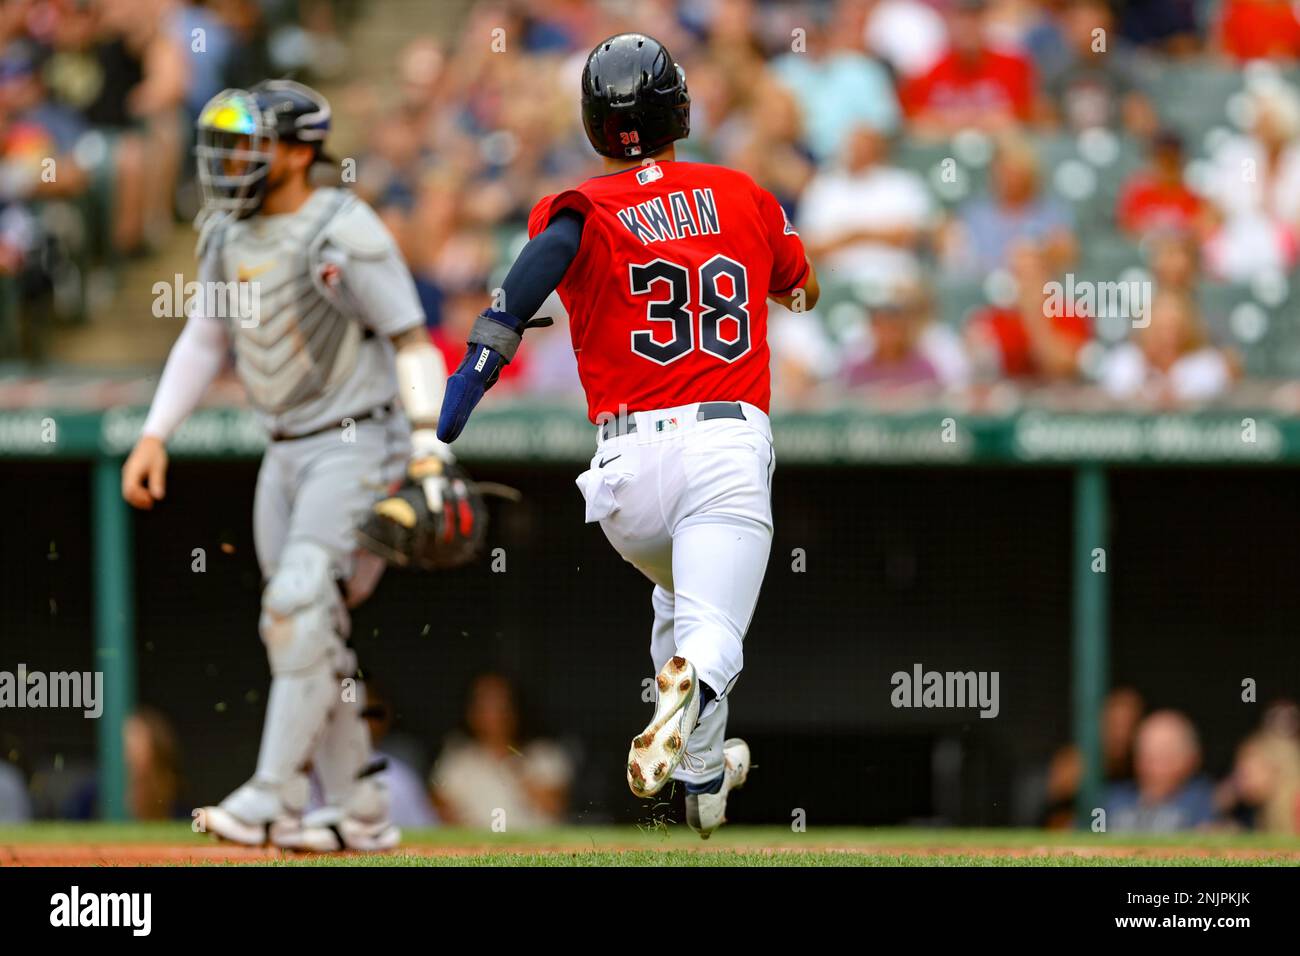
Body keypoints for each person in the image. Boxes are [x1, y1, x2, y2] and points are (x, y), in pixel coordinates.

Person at [436, 33, 820, 838]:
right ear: (679, 106)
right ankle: (693, 686)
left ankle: (702, 779)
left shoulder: (583, 205)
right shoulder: (741, 192)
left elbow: (540, 263)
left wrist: (481, 358)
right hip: (720, 447)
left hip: (622, 478)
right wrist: (785, 287)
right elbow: (801, 283)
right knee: (714, 637)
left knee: (675, 602)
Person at [120, 80, 476, 851]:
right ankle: (361, 810)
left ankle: (273, 795)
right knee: (307, 631)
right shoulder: (223, 232)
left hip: (355, 441)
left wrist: (425, 447)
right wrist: (155, 434)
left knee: (299, 606)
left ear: (299, 150)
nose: (233, 157)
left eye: (253, 141)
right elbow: (205, 338)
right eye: (229, 142)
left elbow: (412, 339)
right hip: (280, 452)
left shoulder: (343, 228)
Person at [1103, 710, 1217, 832]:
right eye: (1146, 752)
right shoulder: (1112, 800)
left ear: (1191, 758)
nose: (1153, 763)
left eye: (1165, 753)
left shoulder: (1205, 800)